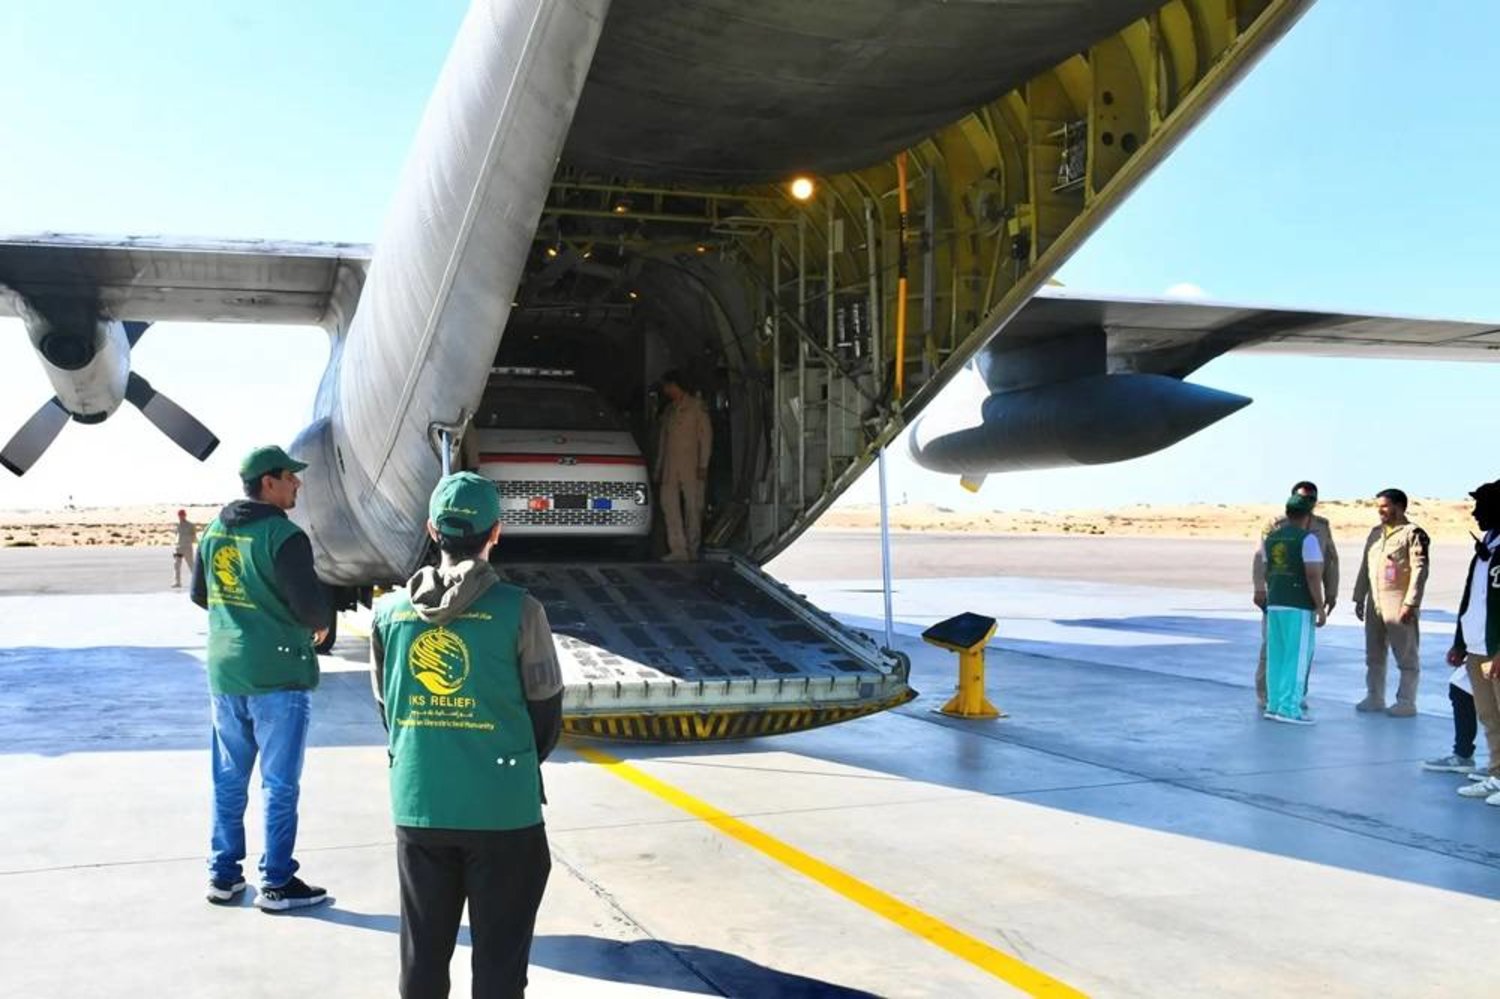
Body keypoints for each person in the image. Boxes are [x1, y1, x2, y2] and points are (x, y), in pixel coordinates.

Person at [370, 471, 563, 998]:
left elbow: (388, 708)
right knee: (500, 964)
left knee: (422, 957)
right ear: (495, 532)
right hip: (502, 811)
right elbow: (544, 714)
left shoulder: (388, 614)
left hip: (420, 804)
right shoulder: (520, 611)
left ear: (433, 530)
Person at [191, 445, 331, 910]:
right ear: (268, 483)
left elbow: (199, 595)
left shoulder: (213, 531)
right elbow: (309, 606)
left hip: (226, 673)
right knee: (279, 783)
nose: (298, 484)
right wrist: (318, 622)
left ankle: (223, 875)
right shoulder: (282, 536)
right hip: (278, 675)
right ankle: (276, 882)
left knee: (229, 780)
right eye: (291, 477)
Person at [1251, 480, 1338, 710]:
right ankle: (1269, 694)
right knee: (1274, 648)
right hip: (1283, 594)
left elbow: (1329, 559)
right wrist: (1259, 587)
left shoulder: (1322, 526)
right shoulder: (1274, 525)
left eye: (1311, 499)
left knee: (1300, 653)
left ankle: (1295, 694)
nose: (1307, 503)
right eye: (1303, 499)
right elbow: (1260, 558)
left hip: (1306, 596)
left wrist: (1331, 591)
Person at [1350, 488, 1430, 716]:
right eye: (1379, 506)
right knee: (1374, 654)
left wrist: (1411, 603)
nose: (1380, 510)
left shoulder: (1413, 533)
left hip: (1399, 601)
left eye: (1385, 506)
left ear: (1399, 506)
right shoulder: (1376, 533)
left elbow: (1420, 570)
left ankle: (1406, 702)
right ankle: (1374, 696)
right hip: (1374, 601)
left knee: (1406, 654)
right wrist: (1359, 597)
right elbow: (1366, 567)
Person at [1449, 480, 1500, 802]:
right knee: (1489, 715)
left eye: (1482, 505)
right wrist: (1459, 641)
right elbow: (1471, 597)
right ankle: (1496, 773)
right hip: (1477, 646)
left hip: (1496, 648)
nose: (1475, 512)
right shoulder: (1487, 543)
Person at [654, 370, 712, 561]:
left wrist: (703, 464)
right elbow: (663, 441)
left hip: (691, 465)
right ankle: (678, 549)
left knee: (693, 508)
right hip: (671, 467)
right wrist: (659, 467)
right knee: (669, 506)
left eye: (668, 386)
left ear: (676, 385)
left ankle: (692, 548)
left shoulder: (696, 407)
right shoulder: (669, 410)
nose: (666, 390)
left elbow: (706, 438)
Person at [173, 508, 198, 588]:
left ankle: (197, 581)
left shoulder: (190, 525)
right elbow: (176, 535)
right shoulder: (177, 525)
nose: (181, 517)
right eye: (180, 515)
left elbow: (194, 537)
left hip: (187, 548)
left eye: (182, 515)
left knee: (191, 565)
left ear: (185, 515)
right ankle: (177, 582)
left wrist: (189, 540)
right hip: (179, 548)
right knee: (176, 565)